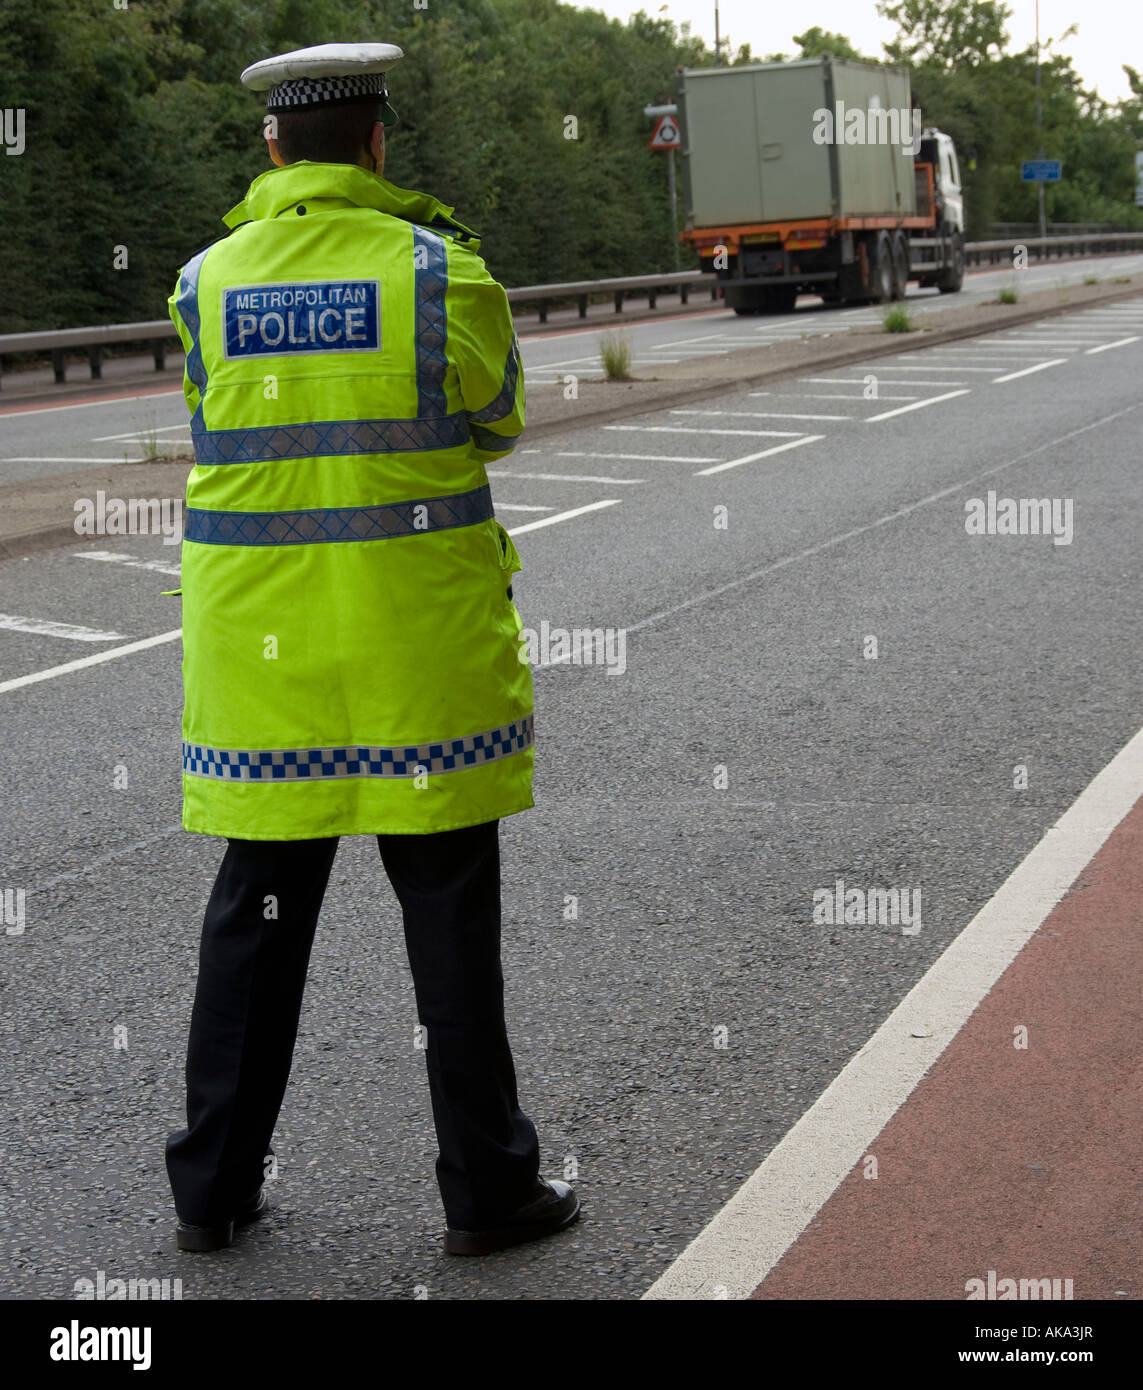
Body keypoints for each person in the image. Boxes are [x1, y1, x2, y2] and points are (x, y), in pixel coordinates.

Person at [163, 42, 578, 1258]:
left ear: (275, 149)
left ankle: (211, 1190)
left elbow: (217, 428)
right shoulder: (443, 274)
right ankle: (489, 1192)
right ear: (380, 146)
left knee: (256, 918)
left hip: (264, 668)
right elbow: (495, 421)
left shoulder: (200, 283)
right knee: (449, 926)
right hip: (419, 662)